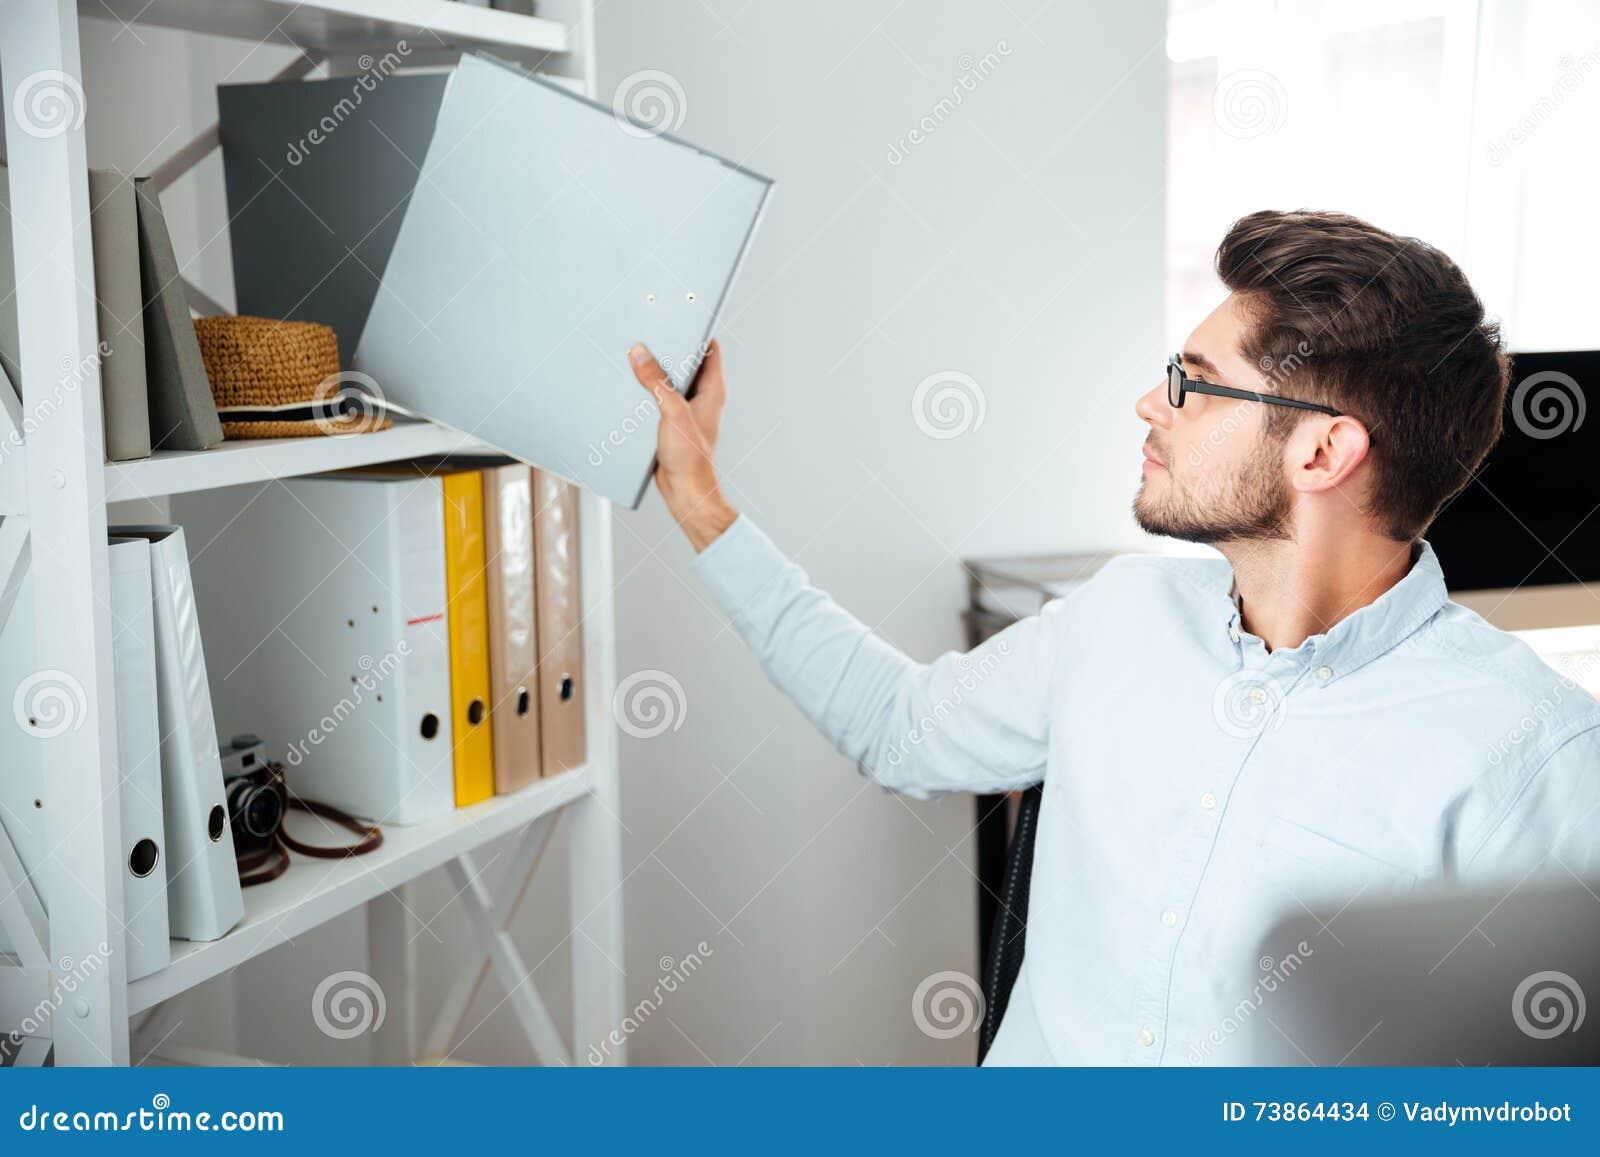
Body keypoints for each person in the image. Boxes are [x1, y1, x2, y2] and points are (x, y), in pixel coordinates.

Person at [624, 209, 1600, 1066]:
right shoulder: (1120, 616)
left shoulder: (1531, 752)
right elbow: (897, 726)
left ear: (1321, 449)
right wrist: (698, 500)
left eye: (1196, 383)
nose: (1151, 401)